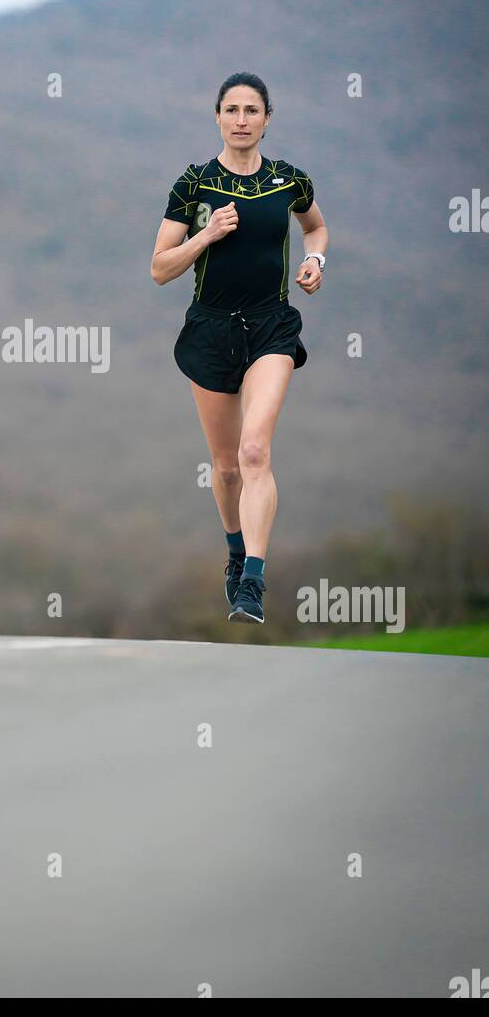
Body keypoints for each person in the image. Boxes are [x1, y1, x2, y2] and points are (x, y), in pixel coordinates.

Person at [150, 72, 328, 624]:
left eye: (253, 110)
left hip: (271, 326)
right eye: (232, 110)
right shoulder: (194, 184)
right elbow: (160, 268)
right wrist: (205, 236)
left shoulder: (289, 181)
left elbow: (316, 229)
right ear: (219, 117)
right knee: (226, 467)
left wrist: (314, 260)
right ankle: (234, 553)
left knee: (255, 451)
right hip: (210, 331)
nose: (242, 120)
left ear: (268, 118)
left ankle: (252, 580)